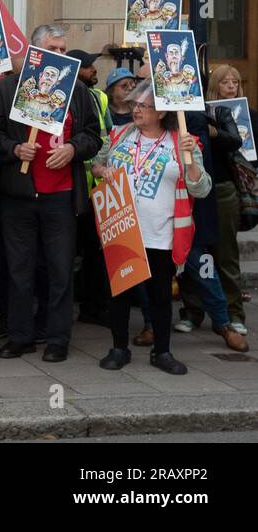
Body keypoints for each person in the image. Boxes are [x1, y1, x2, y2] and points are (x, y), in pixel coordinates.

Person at [0, 24, 102, 363]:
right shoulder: (10, 88)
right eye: (55, 48)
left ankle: (57, 338)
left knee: (60, 271)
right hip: (19, 196)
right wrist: (14, 149)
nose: (62, 55)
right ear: (37, 52)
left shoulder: (79, 91)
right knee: (19, 270)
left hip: (61, 197)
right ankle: (21, 336)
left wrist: (72, 148)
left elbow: (94, 136)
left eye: (65, 49)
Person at [92, 81, 212, 374]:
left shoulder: (181, 142)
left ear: (161, 112)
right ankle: (119, 347)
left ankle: (162, 351)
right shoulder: (119, 134)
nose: (136, 110)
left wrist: (191, 162)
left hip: (161, 233)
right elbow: (96, 163)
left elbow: (202, 188)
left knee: (160, 295)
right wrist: (103, 171)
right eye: (135, 105)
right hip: (123, 231)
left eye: (144, 106)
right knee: (119, 293)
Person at [193, 65, 248, 336]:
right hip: (194, 190)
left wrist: (216, 134)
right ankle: (192, 311)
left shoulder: (221, 112)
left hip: (223, 189)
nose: (231, 86)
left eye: (235, 82)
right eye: (225, 82)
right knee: (194, 252)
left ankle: (233, 312)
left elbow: (236, 141)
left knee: (226, 254)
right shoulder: (187, 111)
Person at [70, 50, 113, 327]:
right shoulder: (67, 99)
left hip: (98, 188)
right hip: (73, 189)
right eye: (87, 66)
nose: (93, 69)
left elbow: (106, 136)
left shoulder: (99, 97)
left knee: (96, 251)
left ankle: (94, 306)